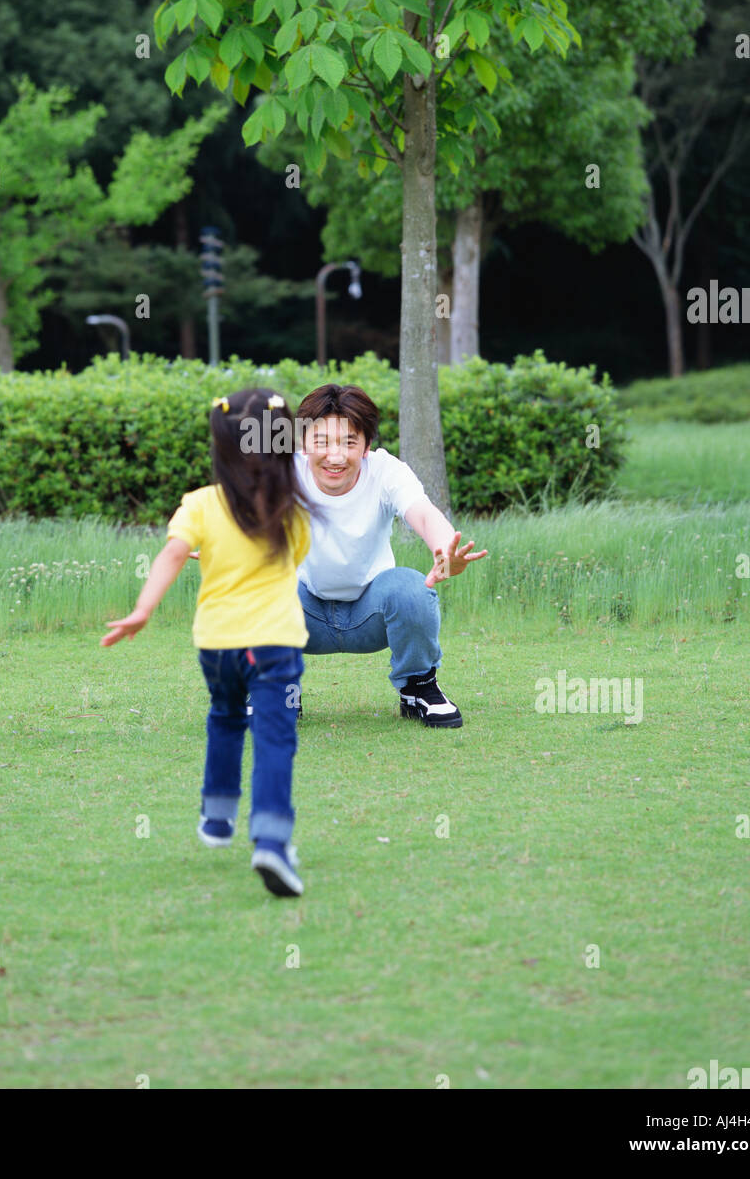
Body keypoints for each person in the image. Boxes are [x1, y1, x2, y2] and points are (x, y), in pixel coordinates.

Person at [101, 388, 313, 898]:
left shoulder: (198, 504)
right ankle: (271, 841)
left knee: (224, 718)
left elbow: (173, 556)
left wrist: (142, 610)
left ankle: (217, 819)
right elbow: (295, 564)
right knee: (274, 739)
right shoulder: (294, 510)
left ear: (220, 445)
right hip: (275, 645)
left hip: (216, 645)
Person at [291, 383, 488, 729]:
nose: (335, 456)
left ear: (367, 445)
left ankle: (418, 688)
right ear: (303, 443)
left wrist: (444, 550)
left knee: (411, 588)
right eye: (321, 442)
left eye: (349, 442)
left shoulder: (386, 470)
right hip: (302, 615)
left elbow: (423, 513)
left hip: (373, 616)